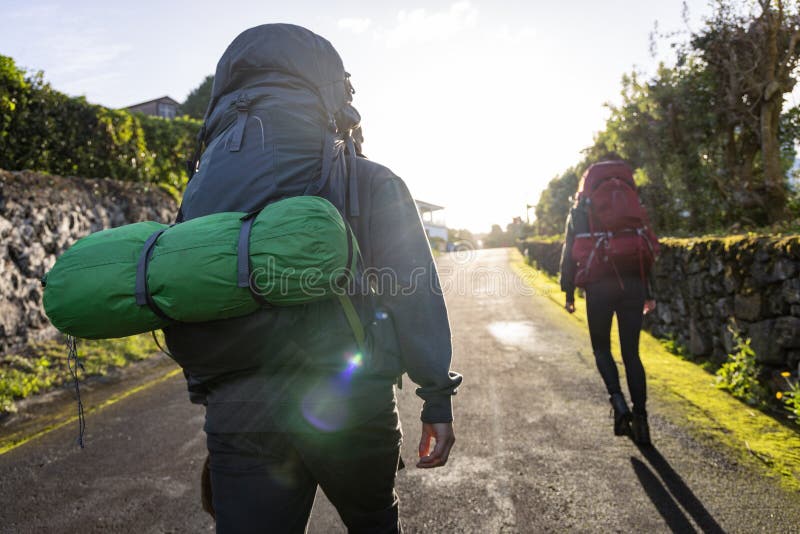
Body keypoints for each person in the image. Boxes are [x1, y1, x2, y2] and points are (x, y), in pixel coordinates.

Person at [164, 24, 462, 533]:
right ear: (333, 94)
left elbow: (191, 290)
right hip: (351, 401)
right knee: (373, 523)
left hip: (239, 406)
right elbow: (413, 293)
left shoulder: (202, 193)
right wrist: (435, 396)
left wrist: (217, 399)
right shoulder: (371, 180)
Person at [558, 159, 656, 445]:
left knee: (602, 348)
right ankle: (642, 420)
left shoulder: (580, 209)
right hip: (634, 284)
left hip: (599, 286)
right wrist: (649, 291)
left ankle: (618, 402)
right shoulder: (632, 204)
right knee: (632, 355)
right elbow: (646, 248)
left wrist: (568, 292)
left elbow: (568, 254)